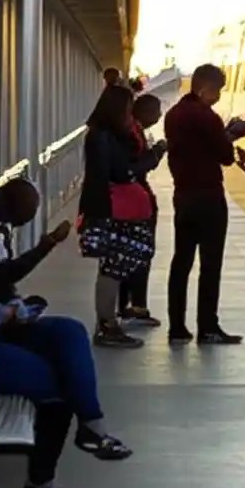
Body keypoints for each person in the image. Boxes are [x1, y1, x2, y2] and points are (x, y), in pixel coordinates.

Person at [0, 182, 132, 488]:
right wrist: (7, 313)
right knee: (58, 387)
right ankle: (41, 485)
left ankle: (92, 426)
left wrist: (10, 309)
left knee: (70, 332)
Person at [164, 64, 245, 345]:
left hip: (183, 197)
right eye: (217, 91)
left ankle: (177, 327)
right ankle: (208, 327)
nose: (218, 97)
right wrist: (233, 134)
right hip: (209, 198)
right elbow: (224, 156)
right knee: (210, 265)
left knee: (181, 261)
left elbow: (193, 148)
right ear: (205, 88)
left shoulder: (174, 115)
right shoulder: (207, 117)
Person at [78, 85, 162, 348]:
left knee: (114, 266)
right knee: (113, 268)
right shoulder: (103, 138)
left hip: (112, 210)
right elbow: (120, 172)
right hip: (111, 211)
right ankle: (106, 325)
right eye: (127, 110)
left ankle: (108, 322)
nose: (130, 115)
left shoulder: (106, 135)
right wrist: (153, 156)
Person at [117, 94, 164, 327]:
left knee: (132, 253)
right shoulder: (132, 132)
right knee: (140, 252)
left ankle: (127, 306)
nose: (159, 116)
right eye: (156, 110)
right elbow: (133, 167)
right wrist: (156, 153)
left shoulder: (130, 130)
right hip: (135, 202)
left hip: (134, 199)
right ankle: (136, 306)